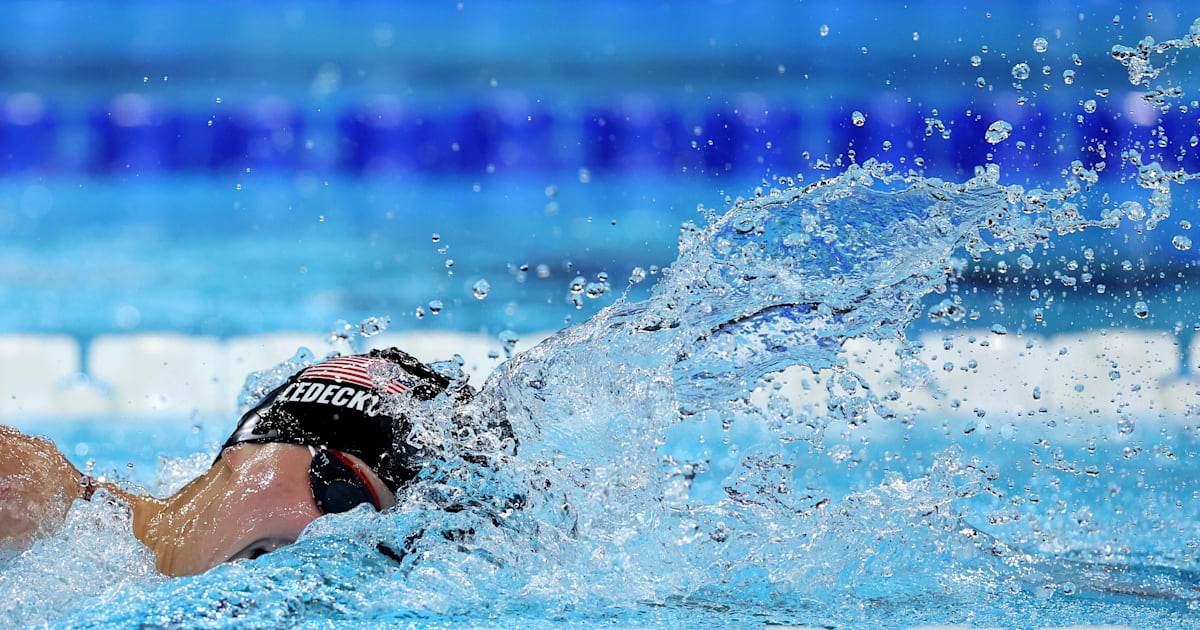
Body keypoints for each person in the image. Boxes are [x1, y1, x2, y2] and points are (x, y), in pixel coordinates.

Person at [0, 347, 509, 577]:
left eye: (384, 544)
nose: (328, 541)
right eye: (342, 493)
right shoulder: (28, 498)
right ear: (246, 450)